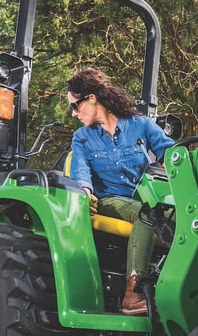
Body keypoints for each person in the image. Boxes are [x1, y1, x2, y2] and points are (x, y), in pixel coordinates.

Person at [66, 68, 175, 315]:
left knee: (182, 218)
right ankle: (132, 293)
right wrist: (85, 192)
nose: (74, 113)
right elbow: (80, 170)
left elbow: (170, 152)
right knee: (146, 214)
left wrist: (173, 162)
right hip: (108, 201)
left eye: (75, 105)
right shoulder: (81, 138)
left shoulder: (140, 126)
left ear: (92, 98)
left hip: (142, 198)